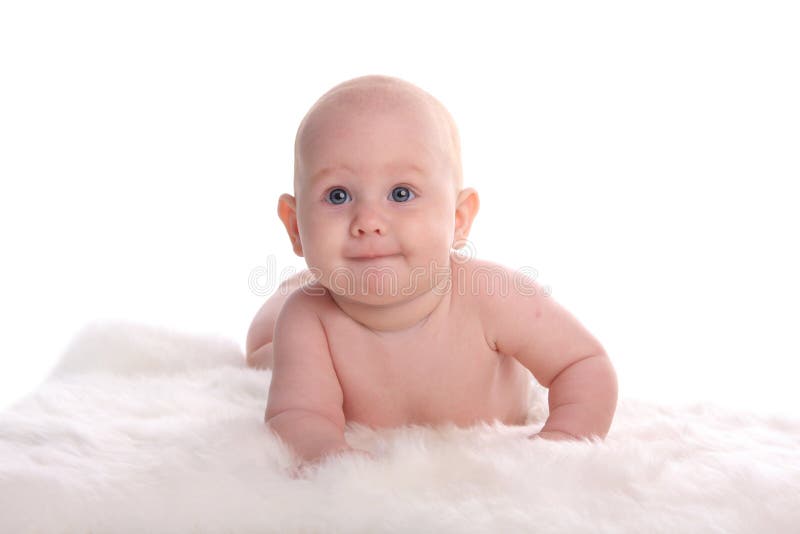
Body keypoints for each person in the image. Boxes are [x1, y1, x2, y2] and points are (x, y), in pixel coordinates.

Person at [246, 75, 618, 467]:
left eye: (401, 193)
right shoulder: (309, 320)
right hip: (303, 307)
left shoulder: (492, 296)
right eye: (338, 195)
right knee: (263, 352)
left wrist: (560, 444)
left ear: (458, 220)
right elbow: (298, 416)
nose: (368, 221)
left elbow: (583, 364)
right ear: (295, 227)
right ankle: (289, 291)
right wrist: (333, 461)